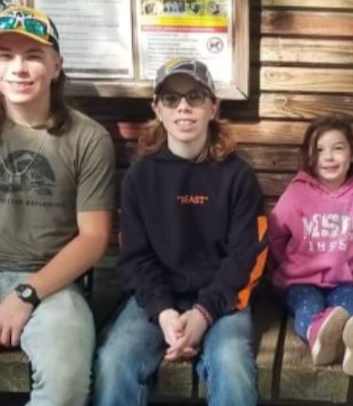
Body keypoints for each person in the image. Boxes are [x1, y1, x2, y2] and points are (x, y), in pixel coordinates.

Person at [0, 5, 115, 406]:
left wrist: (26, 295)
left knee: (67, 384)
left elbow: (93, 238)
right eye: (6, 56)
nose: (18, 68)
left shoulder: (88, 138)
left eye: (33, 56)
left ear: (56, 67)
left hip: (53, 286)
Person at [92, 58, 267, 406]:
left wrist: (203, 314)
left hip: (223, 300)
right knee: (113, 363)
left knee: (231, 364)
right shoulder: (140, 177)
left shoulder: (238, 177)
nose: (183, 107)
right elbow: (134, 258)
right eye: (171, 98)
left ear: (213, 106)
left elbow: (246, 257)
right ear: (157, 109)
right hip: (156, 300)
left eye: (195, 96)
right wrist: (163, 311)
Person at [269, 115, 353, 376]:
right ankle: (318, 337)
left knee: (350, 310)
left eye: (338, 148)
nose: (329, 157)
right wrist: (284, 268)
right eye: (320, 150)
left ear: (352, 154)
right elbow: (275, 235)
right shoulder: (296, 194)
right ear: (309, 157)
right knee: (308, 309)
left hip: (348, 282)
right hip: (300, 282)